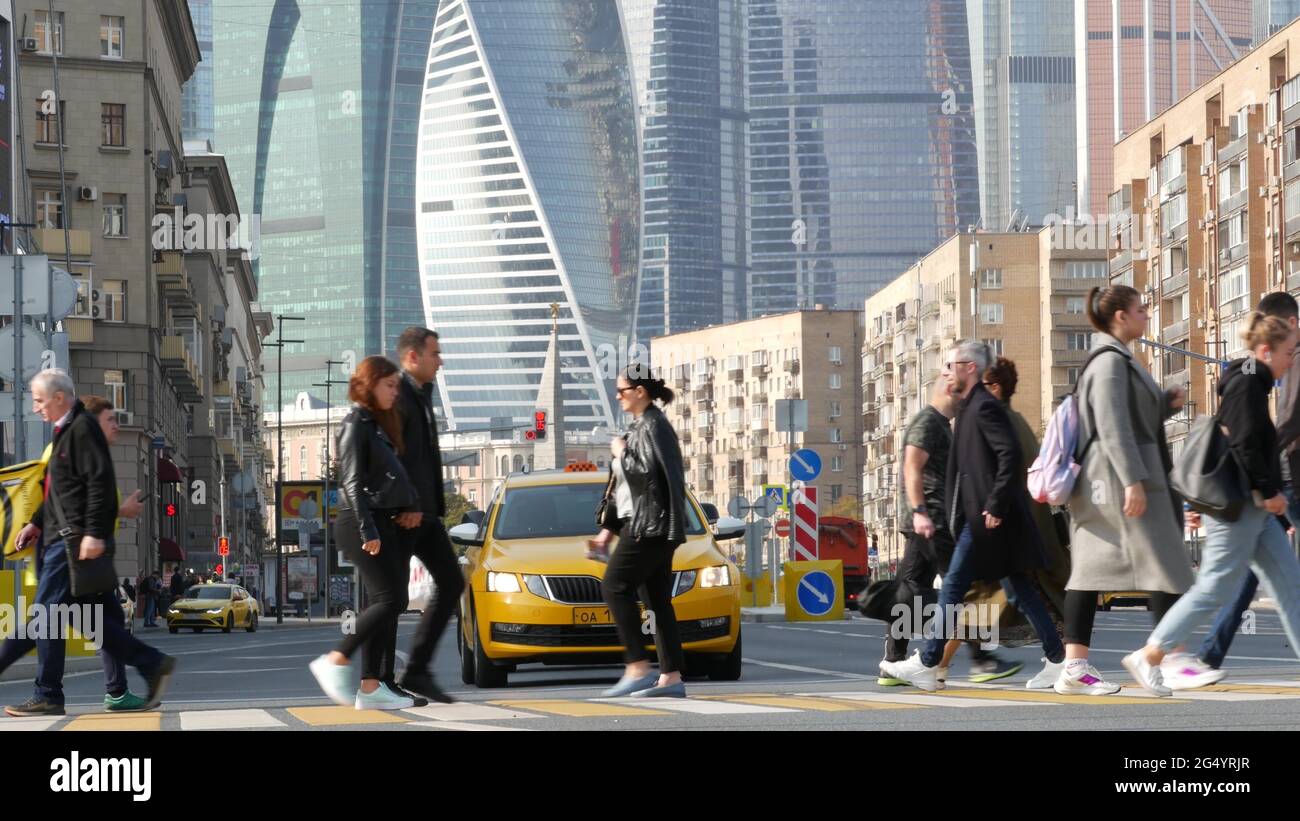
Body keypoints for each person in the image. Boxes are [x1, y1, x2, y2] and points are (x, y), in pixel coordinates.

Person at [1124, 313, 1300, 695]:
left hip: (1253, 509)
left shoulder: (1251, 378)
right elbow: (1246, 441)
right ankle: (1151, 654)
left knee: (1291, 586)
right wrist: (1270, 491)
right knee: (1214, 587)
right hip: (1238, 506)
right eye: (1289, 351)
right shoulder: (1249, 382)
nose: (1293, 359)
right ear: (1266, 350)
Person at [883, 342, 1066, 691]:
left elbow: (1009, 456)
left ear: (969, 367)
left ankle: (927, 661)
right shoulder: (970, 409)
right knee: (1020, 590)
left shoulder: (983, 407)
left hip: (985, 519)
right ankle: (1058, 659)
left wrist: (994, 506)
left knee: (953, 586)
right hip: (982, 517)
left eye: (950, 366)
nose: (946, 373)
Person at [0, 369, 176, 716]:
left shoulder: (81, 429)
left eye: (39, 401)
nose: (35, 408)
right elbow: (58, 493)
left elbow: (98, 482)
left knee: (44, 618)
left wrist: (95, 534)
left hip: (71, 545)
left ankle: (50, 694)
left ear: (59, 398)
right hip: (64, 541)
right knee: (91, 621)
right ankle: (149, 665)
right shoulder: (65, 432)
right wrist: (36, 524)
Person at [1054, 286, 1196, 695]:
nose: (1146, 314)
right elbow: (1113, 424)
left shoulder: (1120, 360)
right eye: (1140, 309)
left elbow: (1129, 416)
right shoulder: (1110, 362)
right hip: (1116, 479)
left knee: (1101, 569)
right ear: (1120, 316)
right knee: (1159, 564)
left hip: (1120, 476)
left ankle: (1081, 666)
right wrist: (1132, 480)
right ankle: (1167, 658)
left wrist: (1164, 403)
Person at [878, 380, 1021, 687]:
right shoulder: (929, 422)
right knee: (965, 587)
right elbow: (912, 466)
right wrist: (920, 513)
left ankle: (893, 662)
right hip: (931, 521)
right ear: (949, 394)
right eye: (962, 397)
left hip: (930, 521)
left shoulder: (942, 425)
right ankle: (981, 660)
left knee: (912, 590)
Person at [1189, 291, 1300, 686]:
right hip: (1281, 481)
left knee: (1252, 576)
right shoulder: (1264, 370)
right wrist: (1271, 481)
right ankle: (1177, 652)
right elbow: (1274, 426)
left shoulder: (1259, 370)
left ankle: (1205, 654)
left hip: (1275, 482)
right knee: (1233, 579)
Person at [308, 356, 418, 710]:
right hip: (360, 525)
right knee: (389, 600)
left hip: (382, 523)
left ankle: (376, 684)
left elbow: (382, 481)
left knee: (390, 602)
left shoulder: (375, 426)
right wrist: (369, 529)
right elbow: (352, 483)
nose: (394, 392)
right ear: (370, 385)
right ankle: (337, 658)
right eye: (389, 385)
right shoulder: (356, 423)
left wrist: (404, 510)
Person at [589, 366, 689, 698]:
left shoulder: (654, 426)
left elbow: (649, 476)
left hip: (650, 526)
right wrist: (608, 530)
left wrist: (622, 453)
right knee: (657, 601)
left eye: (622, 390)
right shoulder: (640, 426)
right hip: (646, 523)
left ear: (640, 392)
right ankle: (671, 678)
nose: (618, 396)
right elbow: (624, 489)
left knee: (614, 586)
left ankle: (638, 666)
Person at [387, 327, 462, 704]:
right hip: (405, 514)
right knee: (391, 598)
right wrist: (406, 504)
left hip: (427, 514)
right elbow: (392, 458)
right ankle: (378, 679)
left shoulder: (421, 395)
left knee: (452, 582)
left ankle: (416, 669)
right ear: (413, 357)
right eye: (435, 353)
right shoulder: (399, 396)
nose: (441, 360)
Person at [981, 357, 1071, 625]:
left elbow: (1003, 473)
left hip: (1013, 525)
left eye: (980, 386)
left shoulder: (999, 423)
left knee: (973, 598)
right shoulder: (1015, 420)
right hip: (1027, 526)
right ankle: (944, 659)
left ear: (995, 387)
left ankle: (938, 661)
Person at [83, 394, 151, 710]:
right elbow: (73, 508)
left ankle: (118, 690)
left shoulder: (94, 456)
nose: (118, 424)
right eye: (110, 419)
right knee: (40, 626)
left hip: (93, 561)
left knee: (106, 623)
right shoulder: (79, 454)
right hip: (76, 559)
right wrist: (120, 512)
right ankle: (148, 666)